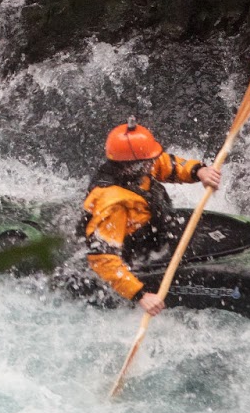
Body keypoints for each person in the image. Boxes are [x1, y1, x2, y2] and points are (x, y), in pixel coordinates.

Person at [79, 118, 221, 313]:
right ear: (132, 165)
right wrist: (140, 295)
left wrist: (199, 171)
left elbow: (167, 164)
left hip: (155, 235)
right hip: (135, 257)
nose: (154, 161)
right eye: (149, 160)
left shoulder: (135, 166)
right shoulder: (111, 203)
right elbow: (102, 257)